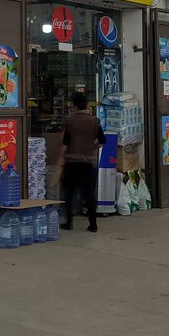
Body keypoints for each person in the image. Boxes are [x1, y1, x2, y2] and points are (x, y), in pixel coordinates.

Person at [60, 91, 105, 232]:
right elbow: (102, 141)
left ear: (75, 106)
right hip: (88, 163)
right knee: (89, 194)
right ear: (86, 106)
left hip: (72, 162)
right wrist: (91, 147)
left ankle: (69, 222)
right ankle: (93, 224)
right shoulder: (95, 121)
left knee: (69, 193)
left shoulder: (70, 121)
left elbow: (65, 142)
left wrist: (61, 158)